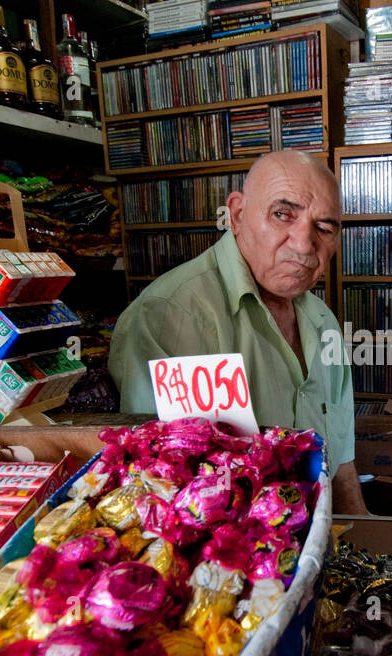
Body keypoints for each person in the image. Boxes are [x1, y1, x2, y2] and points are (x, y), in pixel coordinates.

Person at [109, 150, 369, 514]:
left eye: (324, 228)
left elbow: (340, 461)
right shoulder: (169, 314)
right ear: (237, 214)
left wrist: (368, 536)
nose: (304, 243)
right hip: (232, 559)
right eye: (283, 214)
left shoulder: (322, 321)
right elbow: (161, 489)